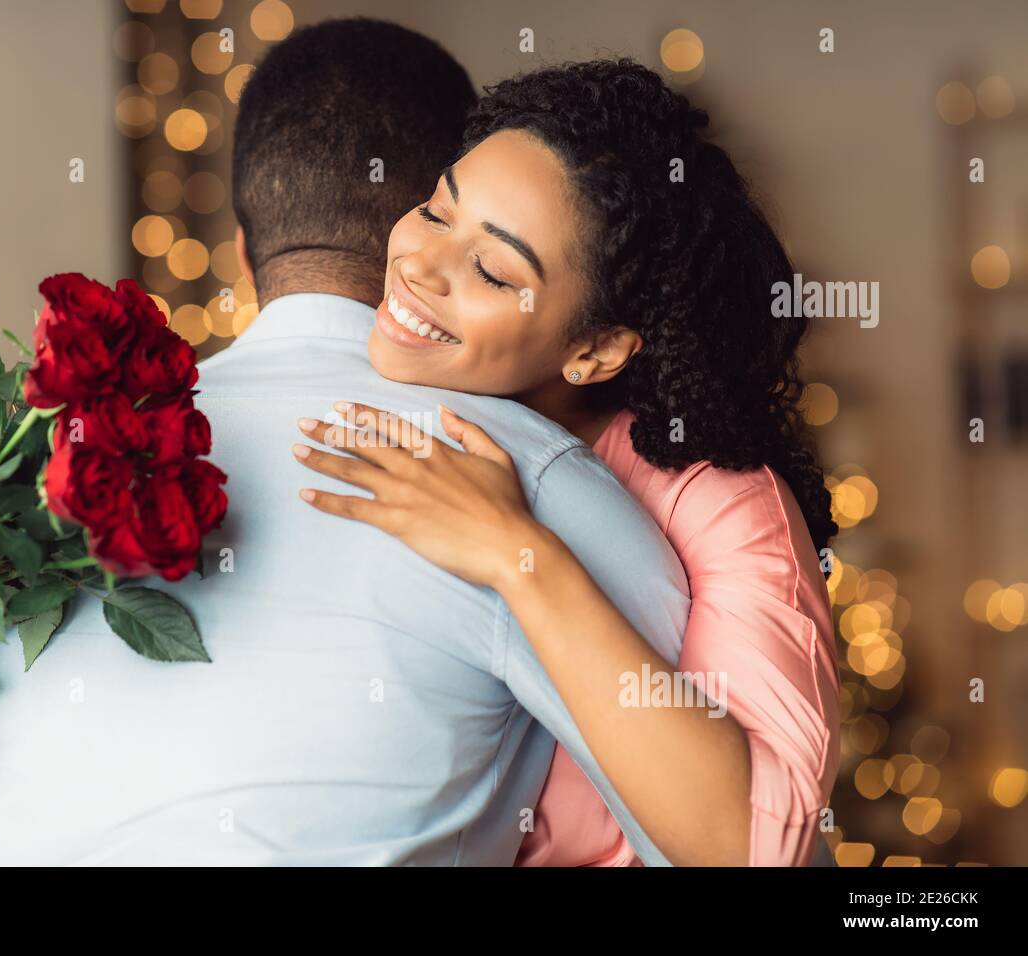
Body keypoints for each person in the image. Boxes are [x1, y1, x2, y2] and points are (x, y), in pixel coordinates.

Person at [0, 20, 691, 866]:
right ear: (412, 225)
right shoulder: (540, 486)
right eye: (434, 211)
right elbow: (725, 837)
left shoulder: (42, 470)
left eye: (495, 265)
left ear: (242, 251)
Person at [292, 60, 839, 866]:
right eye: (436, 211)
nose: (417, 265)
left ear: (595, 348)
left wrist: (519, 557)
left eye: (491, 270)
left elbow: (753, 845)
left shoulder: (721, 502)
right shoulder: (353, 395)